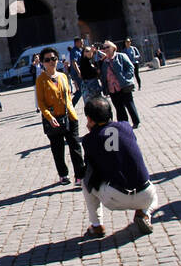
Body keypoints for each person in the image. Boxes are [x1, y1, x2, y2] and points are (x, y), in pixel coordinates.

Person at [80, 96, 156, 238]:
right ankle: (144, 213)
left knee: (85, 182)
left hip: (116, 197)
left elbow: (91, 170)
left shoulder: (89, 140)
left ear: (90, 119)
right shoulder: (126, 127)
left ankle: (97, 225)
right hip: (145, 193)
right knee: (153, 193)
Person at [35, 47, 85, 185]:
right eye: (47, 60)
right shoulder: (41, 80)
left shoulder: (63, 76)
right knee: (57, 149)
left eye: (53, 58)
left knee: (75, 146)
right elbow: (41, 102)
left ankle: (80, 176)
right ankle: (63, 174)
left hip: (69, 116)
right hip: (53, 119)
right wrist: (49, 117)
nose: (51, 62)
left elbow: (68, 95)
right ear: (43, 63)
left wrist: (71, 109)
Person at [98, 40, 141, 127]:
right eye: (104, 48)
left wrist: (126, 78)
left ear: (113, 48)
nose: (105, 49)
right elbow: (102, 75)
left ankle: (136, 122)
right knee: (119, 107)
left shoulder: (121, 56)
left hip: (123, 85)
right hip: (112, 88)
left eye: (107, 47)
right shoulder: (104, 62)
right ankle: (124, 125)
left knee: (129, 104)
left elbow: (130, 67)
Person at [66, 37, 85, 105]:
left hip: (79, 73)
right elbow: (74, 62)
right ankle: (71, 106)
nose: (82, 43)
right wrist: (79, 72)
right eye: (81, 42)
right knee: (81, 90)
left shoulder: (79, 50)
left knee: (81, 90)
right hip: (77, 74)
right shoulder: (74, 51)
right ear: (76, 43)